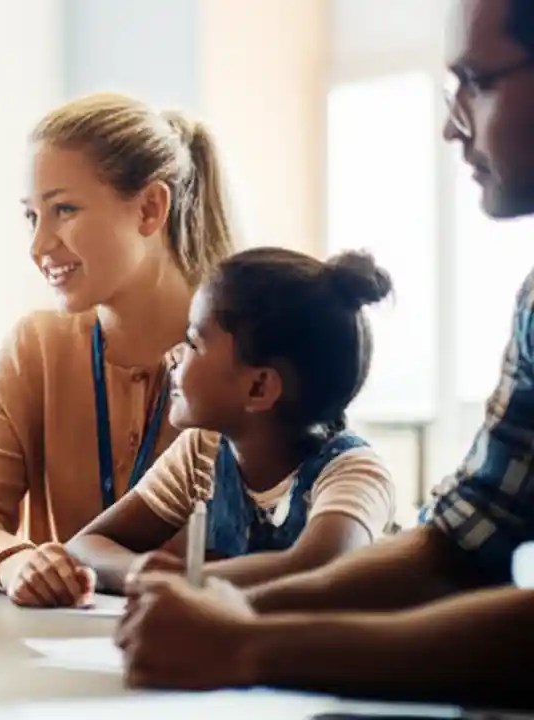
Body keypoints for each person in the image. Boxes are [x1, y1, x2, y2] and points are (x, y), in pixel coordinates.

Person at [115, 0, 534, 708]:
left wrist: (248, 642)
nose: (451, 122)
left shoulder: (344, 468)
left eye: (478, 82)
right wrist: (226, 609)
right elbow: (462, 543)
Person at [0, 92, 238, 607]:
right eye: (32, 216)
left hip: (207, 655)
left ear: (149, 208)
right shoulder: (36, 347)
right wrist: (16, 562)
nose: (38, 245)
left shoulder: (245, 358)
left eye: (64, 210)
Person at [51, 248, 396, 600]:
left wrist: (187, 581)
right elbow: (86, 545)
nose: (173, 355)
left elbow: (321, 567)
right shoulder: (203, 451)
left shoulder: (352, 471)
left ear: (259, 387)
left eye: (192, 342)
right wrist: (140, 573)